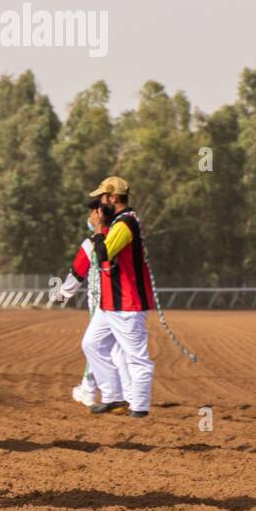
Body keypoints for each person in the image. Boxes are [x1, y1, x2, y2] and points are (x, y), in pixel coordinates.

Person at [80, 176, 157, 418]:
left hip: (127, 303)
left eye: (102, 199)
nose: (99, 206)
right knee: (91, 344)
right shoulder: (118, 223)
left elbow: (104, 253)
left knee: (136, 357)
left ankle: (140, 408)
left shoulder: (125, 224)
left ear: (113, 198)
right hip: (111, 303)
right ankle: (114, 397)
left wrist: (98, 228)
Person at [51, 197, 131, 407]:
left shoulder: (92, 243)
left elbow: (77, 273)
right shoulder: (123, 237)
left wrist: (61, 294)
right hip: (125, 299)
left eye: (90, 213)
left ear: (98, 214)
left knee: (95, 345)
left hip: (101, 300)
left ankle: (89, 388)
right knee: (117, 347)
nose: (89, 217)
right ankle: (126, 393)